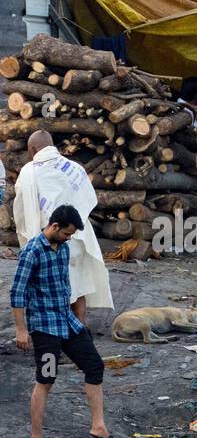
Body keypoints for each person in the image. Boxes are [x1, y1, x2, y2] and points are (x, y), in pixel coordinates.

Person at [10, 205, 111, 438]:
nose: (68, 238)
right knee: (46, 379)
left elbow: (67, 286)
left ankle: (98, 427)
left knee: (94, 366)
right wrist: (21, 330)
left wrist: (80, 317)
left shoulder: (63, 249)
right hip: (44, 328)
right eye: (67, 233)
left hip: (67, 321)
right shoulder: (32, 252)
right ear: (55, 227)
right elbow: (17, 292)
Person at [12, 131, 113, 314]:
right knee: (78, 284)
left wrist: (26, 235)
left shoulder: (29, 171)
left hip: (50, 238)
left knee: (56, 286)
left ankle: (62, 330)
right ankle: (80, 327)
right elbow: (90, 200)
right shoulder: (75, 168)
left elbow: (20, 208)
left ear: (32, 149)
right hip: (77, 236)